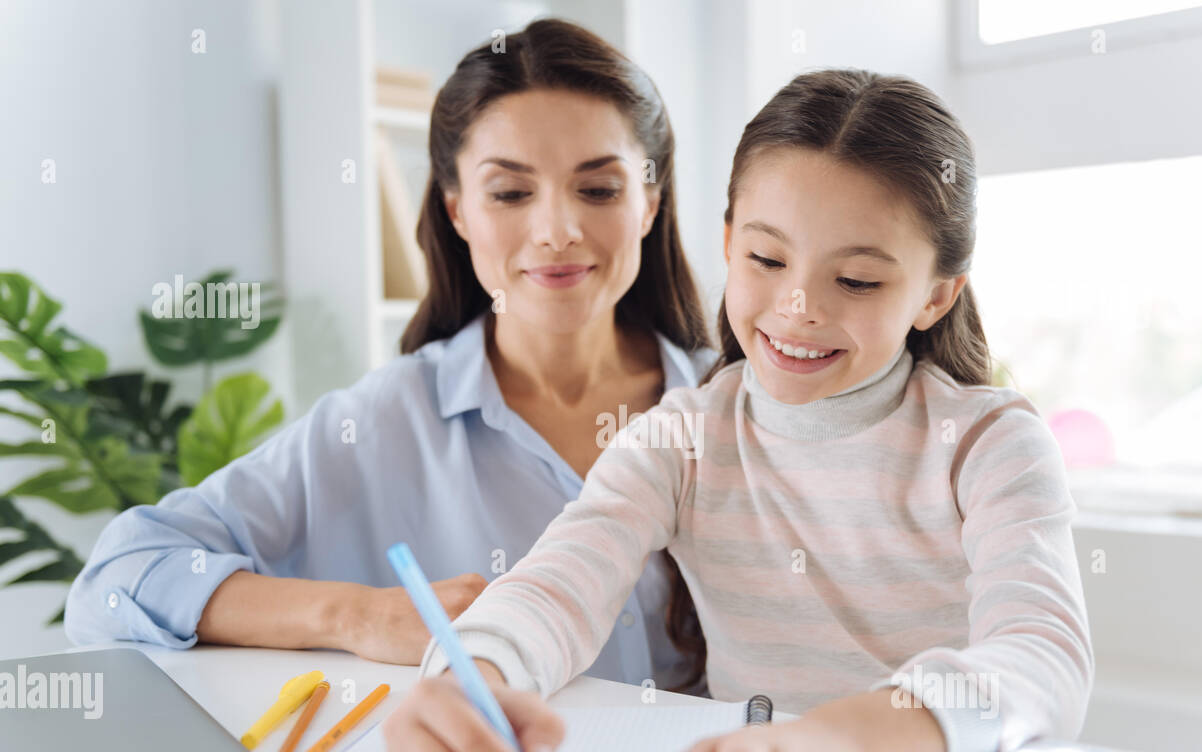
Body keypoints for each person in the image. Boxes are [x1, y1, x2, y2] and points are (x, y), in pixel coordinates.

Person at [382, 68, 1094, 752]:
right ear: (727, 244)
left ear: (935, 295)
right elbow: (556, 586)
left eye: (856, 279)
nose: (798, 307)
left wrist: (843, 748)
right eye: (765, 258)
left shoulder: (988, 444)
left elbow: (1042, 659)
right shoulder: (679, 439)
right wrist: (464, 684)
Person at [63, 18, 714, 688]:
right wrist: (358, 615)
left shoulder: (733, 408)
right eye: (510, 192)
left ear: (649, 202)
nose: (556, 230)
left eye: (599, 189)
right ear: (458, 210)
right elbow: (116, 580)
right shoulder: (380, 422)